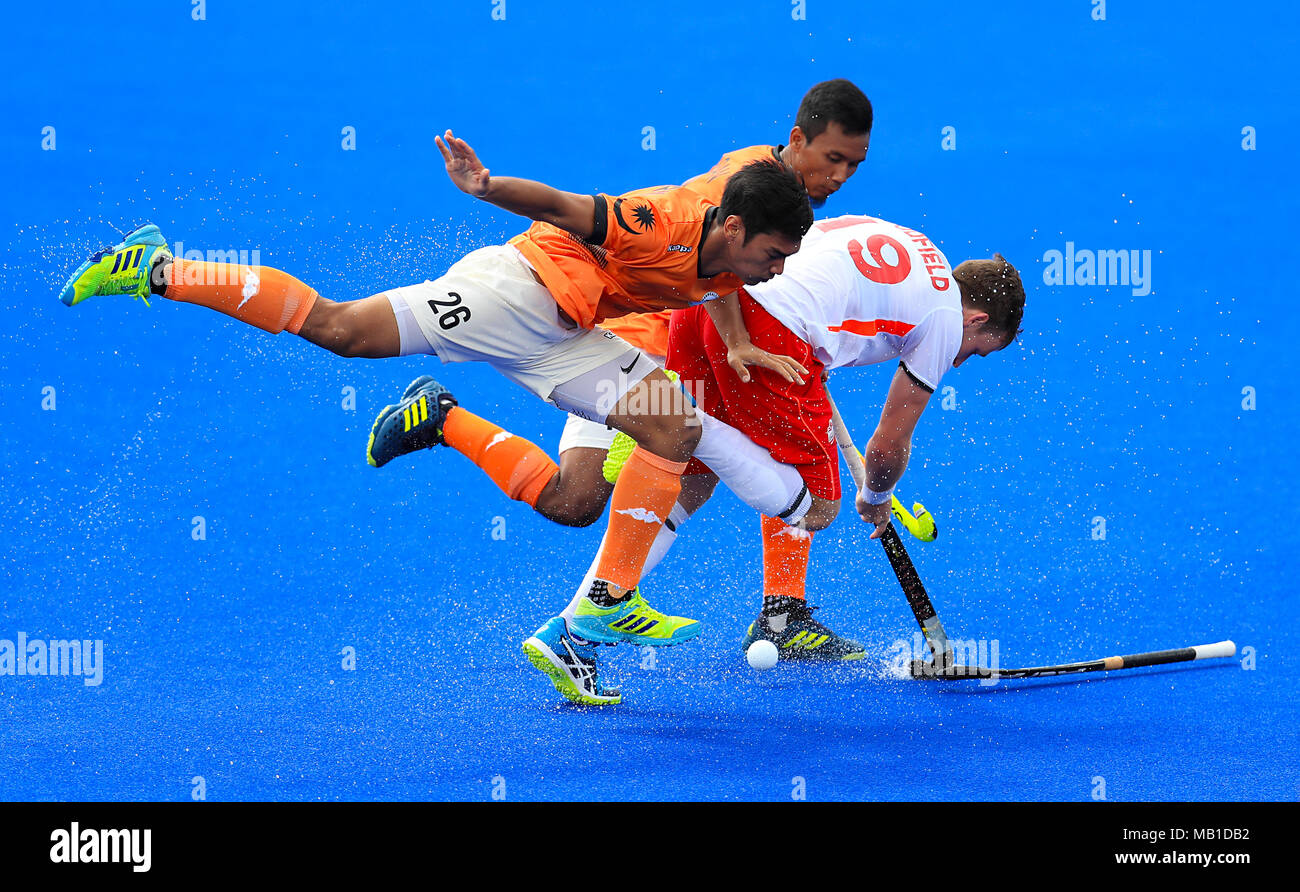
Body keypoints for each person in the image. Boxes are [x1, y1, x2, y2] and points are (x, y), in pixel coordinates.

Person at [56, 130, 814, 705]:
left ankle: (607, 598)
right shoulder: (661, 223)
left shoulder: (733, 239)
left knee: (663, 436)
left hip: (573, 341)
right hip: (510, 296)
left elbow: (716, 284)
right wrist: (484, 185)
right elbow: (565, 208)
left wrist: (741, 343)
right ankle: (159, 267)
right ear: (735, 229)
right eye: (774, 256)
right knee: (341, 330)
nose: (777, 273)